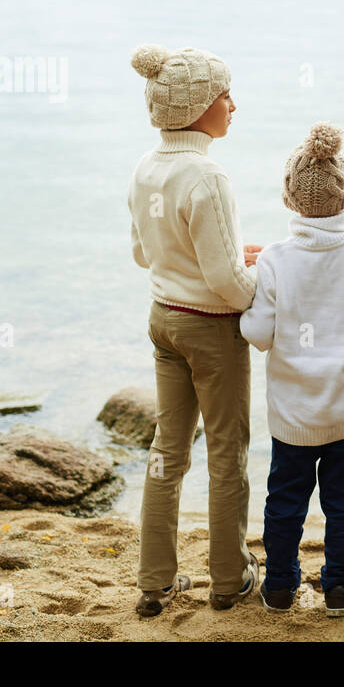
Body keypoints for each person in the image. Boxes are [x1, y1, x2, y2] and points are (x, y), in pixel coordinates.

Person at [127, 43, 261, 617]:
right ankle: (229, 578)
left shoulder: (146, 168)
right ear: (198, 107)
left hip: (163, 322)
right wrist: (264, 283)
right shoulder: (207, 176)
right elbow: (227, 284)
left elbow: (142, 253)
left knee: (167, 452)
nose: (233, 103)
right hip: (210, 331)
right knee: (227, 452)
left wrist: (228, 260)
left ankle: (156, 580)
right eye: (223, 94)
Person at [240, 123, 344, 617]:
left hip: (292, 416)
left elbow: (259, 334)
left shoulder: (275, 261)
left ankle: (281, 585)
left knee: (285, 501)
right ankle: (340, 586)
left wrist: (246, 292)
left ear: (290, 198)